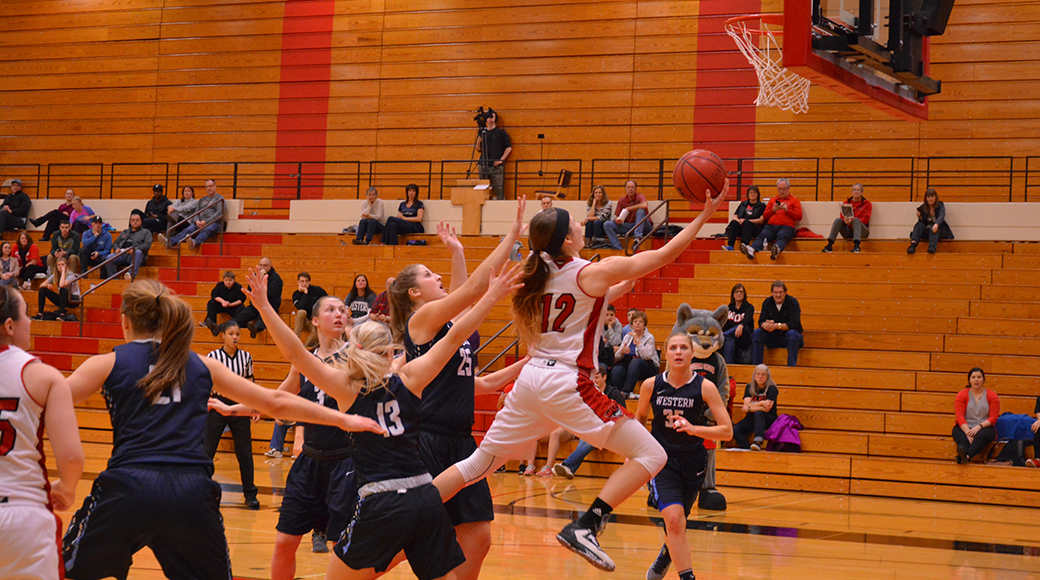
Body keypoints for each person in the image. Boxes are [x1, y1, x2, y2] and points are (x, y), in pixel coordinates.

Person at [432, 182, 728, 572]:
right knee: (654, 454)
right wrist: (703, 218)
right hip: (568, 382)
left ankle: (405, 506)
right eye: (575, 223)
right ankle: (587, 525)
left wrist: (617, 287)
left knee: (477, 465)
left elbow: (585, 300)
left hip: (531, 380)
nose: (580, 224)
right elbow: (663, 254)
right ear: (569, 238)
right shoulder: (589, 271)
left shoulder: (534, 275)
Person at [61, 279, 384, 580]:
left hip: (128, 486)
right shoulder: (203, 363)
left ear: (125, 322)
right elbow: (277, 402)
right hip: (191, 491)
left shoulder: (107, 362)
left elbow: (51, 397)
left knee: (63, 568)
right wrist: (343, 419)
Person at [240, 252, 522, 580]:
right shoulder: (411, 379)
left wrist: (264, 307)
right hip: (424, 498)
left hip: (383, 501)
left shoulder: (347, 388)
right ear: (390, 352)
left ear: (353, 351)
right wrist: (492, 296)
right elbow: (455, 337)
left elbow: (295, 353)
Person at [387, 212, 526, 580]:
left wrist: (458, 254)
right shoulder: (421, 322)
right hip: (429, 438)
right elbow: (471, 293)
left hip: (462, 441)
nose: (438, 279)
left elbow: (462, 304)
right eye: (430, 276)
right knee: (413, 536)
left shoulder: (447, 326)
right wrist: (510, 233)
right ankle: (356, 569)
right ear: (414, 293)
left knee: (478, 536)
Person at [214, 295, 355, 575]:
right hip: (310, 463)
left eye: (343, 310)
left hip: (347, 463)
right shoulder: (305, 361)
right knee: (283, 541)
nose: (339, 314)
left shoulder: (357, 357)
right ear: (314, 321)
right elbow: (276, 398)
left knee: (345, 549)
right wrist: (232, 410)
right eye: (331, 310)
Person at [0, 286, 84, 580]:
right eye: (26, 314)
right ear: (9, 326)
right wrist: (67, 488)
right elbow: (72, 457)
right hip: (24, 516)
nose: (31, 321)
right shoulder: (43, 375)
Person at [636, 333, 732, 580]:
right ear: (665, 353)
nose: (678, 352)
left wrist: (693, 429)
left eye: (683, 348)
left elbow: (727, 431)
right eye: (673, 348)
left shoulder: (705, 387)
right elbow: (639, 423)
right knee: (675, 520)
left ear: (692, 354)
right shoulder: (651, 385)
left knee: (680, 522)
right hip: (662, 461)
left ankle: (666, 555)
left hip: (694, 462)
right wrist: (633, 452)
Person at [201, 320, 261, 509]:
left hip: (239, 404)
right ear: (223, 336)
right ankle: (200, 491)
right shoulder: (213, 356)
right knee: (207, 450)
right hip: (218, 403)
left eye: (237, 334)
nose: (235, 337)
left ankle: (250, 494)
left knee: (244, 452)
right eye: (231, 334)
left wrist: (254, 407)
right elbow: (206, 383)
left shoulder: (246, 357)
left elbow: (250, 383)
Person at [546, 365, 625, 478]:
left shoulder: (614, 393)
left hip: (612, 429)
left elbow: (623, 414)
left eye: (597, 377)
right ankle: (569, 468)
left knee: (592, 439)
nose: (594, 380)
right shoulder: (590, 394)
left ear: (604, 377)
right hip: (592, 428)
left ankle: (567, 464)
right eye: (593, 378)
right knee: (587, 438)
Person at [741, 178, 803, 261]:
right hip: (771, 225)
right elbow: (765, 216)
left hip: (787, 226)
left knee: (782, 236)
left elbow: (799, 217)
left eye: (784, 189)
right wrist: (772, 210)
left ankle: (777, 249)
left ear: (788, 189)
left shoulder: (794, 201)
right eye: (779, 189)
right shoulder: (773, 200)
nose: (781, 191)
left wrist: (788, 210)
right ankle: (752, 249)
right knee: (762, 235)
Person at [953, 367, 999, 464]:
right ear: (969, 380)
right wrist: (968, 433)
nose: (976, 380)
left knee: (981, 435)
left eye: (979, 377)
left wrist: (979, 427)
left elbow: (993, 418)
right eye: (973, 377)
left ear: (983, 379)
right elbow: (960, 416)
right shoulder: (962, 395)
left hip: (984, 426)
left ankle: (965, 456)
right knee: (961, 436)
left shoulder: (992, 396)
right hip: (965, 426)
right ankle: (965, 455)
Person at [752, 281, 803, 367]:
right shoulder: (767, 302)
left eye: (780, 292)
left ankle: (791, 368)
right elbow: (761, 321)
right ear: (772, 293)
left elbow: (794, 324)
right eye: (775, 292)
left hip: (791, 338)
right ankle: (757, 367)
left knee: (792, 334)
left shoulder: (793, 303)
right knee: (757, 333)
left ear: (785, 292)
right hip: (773, 337)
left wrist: (777, 326)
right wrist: (766, 325)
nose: (778, 295)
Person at [610, 310, 659, 398]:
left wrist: (638, 341)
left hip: (647, 366)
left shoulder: (649, 337)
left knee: (635, 362)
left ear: (644, 324)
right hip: (630, 366)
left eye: (640, 322)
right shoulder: (627, 337)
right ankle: (618, 394)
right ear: (632, 324)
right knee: (617, 369)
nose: (638, 324)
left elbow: (647, 356)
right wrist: (621, 352)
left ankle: (626, 391)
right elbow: (616, 356)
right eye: (635, 322)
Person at [732, 364, 779, 450]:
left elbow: (767, 408)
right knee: (735, 430)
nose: (760, 377)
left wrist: (750, 407)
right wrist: (761, 403)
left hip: (768, 418)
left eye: (763, 374)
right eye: (758, 374)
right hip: (751, 417)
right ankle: (748, 449)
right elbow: (746, 406)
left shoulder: (772, 388)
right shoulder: (749, 387)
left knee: (759, 413)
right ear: (754, 376)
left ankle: (758, 442)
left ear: (767, 376)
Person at [168, 178, 224, 249]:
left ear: (215, 186)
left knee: (206, 230)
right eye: (207, 186)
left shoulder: (220, 199)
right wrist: (197, 221)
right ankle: (170, 241)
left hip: (214, 223)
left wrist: (206, 222)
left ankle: (195, 242)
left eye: (210, 186)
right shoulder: (202, 200)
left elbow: (218, 214)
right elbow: (196, 212)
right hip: (200, 222)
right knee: (188, 230)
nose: (209, 188)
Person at [234, 257, 283, 338]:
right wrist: (259, 278)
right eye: (260, 265)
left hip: (269, 305)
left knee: (263, 316)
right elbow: (251, 289)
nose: (262, 268)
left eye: (265, 266)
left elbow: (271, 293)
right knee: (241, 316)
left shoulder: (276, 278)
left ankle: (255, 329)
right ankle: (221, 327)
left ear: (270, 267)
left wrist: (262, 278)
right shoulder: (256, 275)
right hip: (256, 304)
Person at [822, 183, 872, 253]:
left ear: (861, 192)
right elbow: (842, 216)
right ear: (852, 192)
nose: (856, 191)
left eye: (858, 190)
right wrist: (845, 220)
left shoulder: (867, 204)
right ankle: (829, 245)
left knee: (856, 220)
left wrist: (851, 221)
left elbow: (866, 219)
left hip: (861, 231)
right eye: (854, 190)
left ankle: (857, 246)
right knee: (838, 220)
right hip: (848, 231)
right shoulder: (846, 203)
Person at [603, 180, 650, 250]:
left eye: (632, 187)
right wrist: (617, 220)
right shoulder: (622, 200)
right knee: (607, 224)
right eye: (628, 187)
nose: (630, 189)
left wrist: (629, 208)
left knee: (640, 211)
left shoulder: (640, 196)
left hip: (644, 226)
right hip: (630, 226)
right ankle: (618, 248)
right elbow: (616, 216)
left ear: (636, 189)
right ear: (625, 189)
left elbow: (645, 205)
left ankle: (637, 239)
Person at [105, 212, 152, 281]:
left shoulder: (146, 232)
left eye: (137, 220)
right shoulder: (125, 232)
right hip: (123, 254)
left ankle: (130, 275)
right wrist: (116, 248)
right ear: (130, 222)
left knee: (138, 252)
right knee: (109, 257)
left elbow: (147, 245)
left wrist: (134, 249)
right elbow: (115, 243)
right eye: (133, 220)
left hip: (136, 256)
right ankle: (114, 280)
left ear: (141, 221)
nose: (135, 222)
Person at [477, 109, 512, 200]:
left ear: (495, 118)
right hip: (483, 164)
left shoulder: (500, 132)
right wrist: (478, 142)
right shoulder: (483, 132)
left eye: (492, 117)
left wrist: (501, 159)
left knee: (499, 189)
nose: (490, 119)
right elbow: (479, 149)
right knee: (482, 189)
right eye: (488, 117)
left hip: (496, 166)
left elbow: (508, 147)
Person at [908, 186, 954, 254]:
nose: (930, 199)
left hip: (940, 230)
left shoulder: (940, 205)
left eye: (932, 196)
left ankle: (932, 247)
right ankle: (913, 245)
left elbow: (941, 216)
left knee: (933, 229)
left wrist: (936, 224)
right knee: (919, 225)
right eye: (928, 197)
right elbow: (923, 222)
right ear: (926, 198)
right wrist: (920, 217)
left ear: (936, 197)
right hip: (928, 230)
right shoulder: (923, 207)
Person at [34, 257, 81, 322]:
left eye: (62, 264)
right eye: (58, 265)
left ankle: (62, 315)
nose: (60, 266)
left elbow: (62, 285)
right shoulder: (56, 274)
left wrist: (64, 271)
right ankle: (40, 314)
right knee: (43, 290)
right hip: (63, 299)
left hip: (73, 300)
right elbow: (41, 285)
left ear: (66, 265)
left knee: (63, 289)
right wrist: (47, 285)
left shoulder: (71, 274)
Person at [722, 185, 766, 251]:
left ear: (758, 194)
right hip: (742, 226)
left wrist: (748, 220)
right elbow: (735, 216)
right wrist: (738, 220)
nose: (752, 194)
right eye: (751, 193)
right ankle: (730, 246)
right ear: (748, 194)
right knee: (733, 223)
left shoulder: (762, 206)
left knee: (746, 223)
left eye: (754, 193)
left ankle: (745, 245)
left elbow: (761, 220)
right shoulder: (743, 204)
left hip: (754, 228)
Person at [722, 283, 754, 365]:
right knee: (730, 341)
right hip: (732, 336)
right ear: (733, 294)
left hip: (745, 337)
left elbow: (748, 319)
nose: (739, 294)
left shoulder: (749, 307)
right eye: (736, 292)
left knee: (744, 327)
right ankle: (729, 367)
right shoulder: (728, 309)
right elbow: (725, 324)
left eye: (741, 292)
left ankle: (725, 335)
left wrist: (741, 325)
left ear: (744, 294)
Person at [292, 271, 328, 345]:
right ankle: (295, 340)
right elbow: (301, 307)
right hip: (304, 321)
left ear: (309, 282)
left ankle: (304, 348)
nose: (304, 284)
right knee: (301, 312)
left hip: (316, 321)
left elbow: (327, 300)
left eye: (306, 281)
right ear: (298, 282)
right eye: (302, 281)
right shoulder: (296, 294)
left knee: (317, 331)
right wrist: (305, 293)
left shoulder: (317, 290)